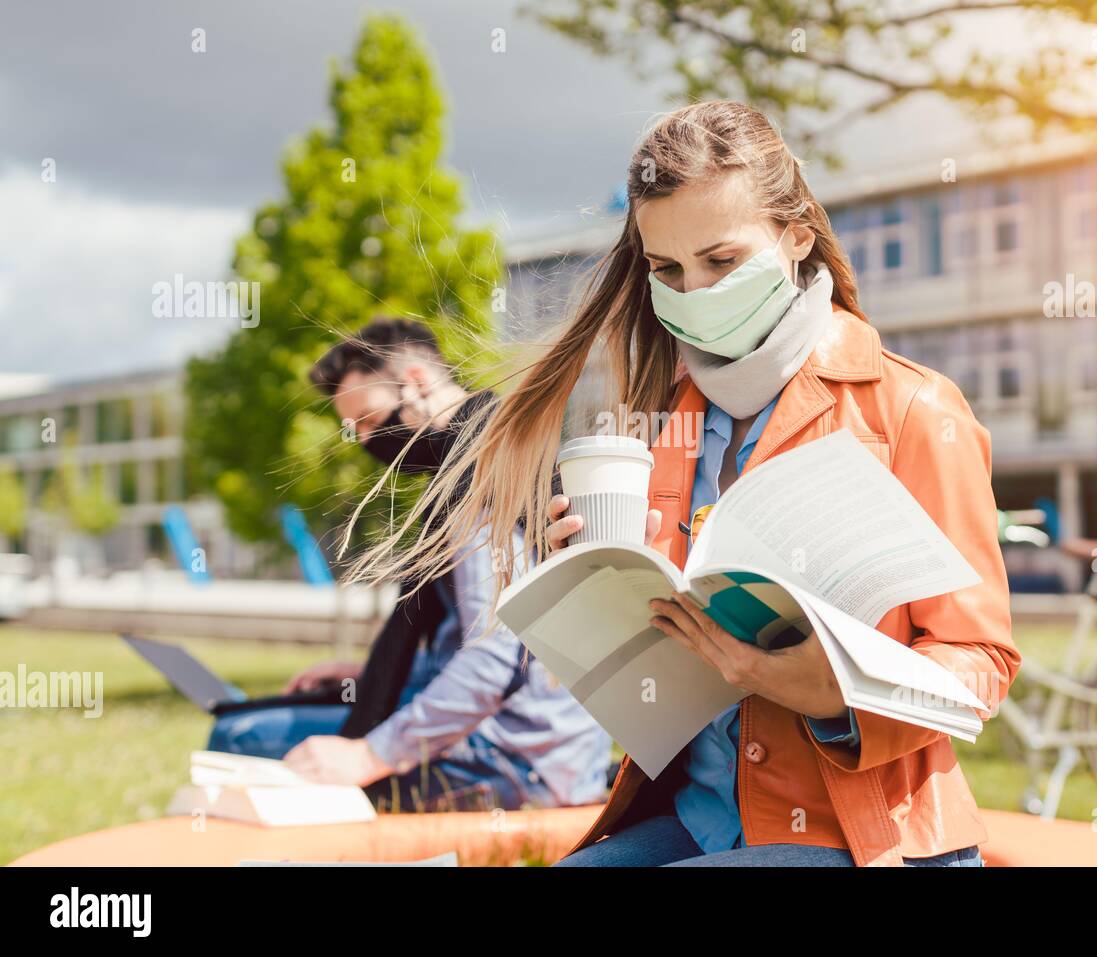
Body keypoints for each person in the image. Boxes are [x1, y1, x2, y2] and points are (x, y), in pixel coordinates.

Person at [353, 101, 1020, 865]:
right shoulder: (663, 418)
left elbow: (980, 660)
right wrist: (586, 592)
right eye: (666, 269)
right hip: (702, 816)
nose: (694, 291)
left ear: (796, 235)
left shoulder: (911, 408)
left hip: (863, 835)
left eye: (722, 260)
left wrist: (834, 695)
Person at [209, 318, 612, 813]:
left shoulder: (477, 481)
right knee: (286, 715)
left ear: (417, 381)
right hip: (551, 745)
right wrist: (366, 674)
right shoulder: (496, 449)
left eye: (371, 420)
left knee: (240, 736)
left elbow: (494, 664)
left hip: (518, 761)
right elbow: (498, 644)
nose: (364, 441)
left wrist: (369, 755)